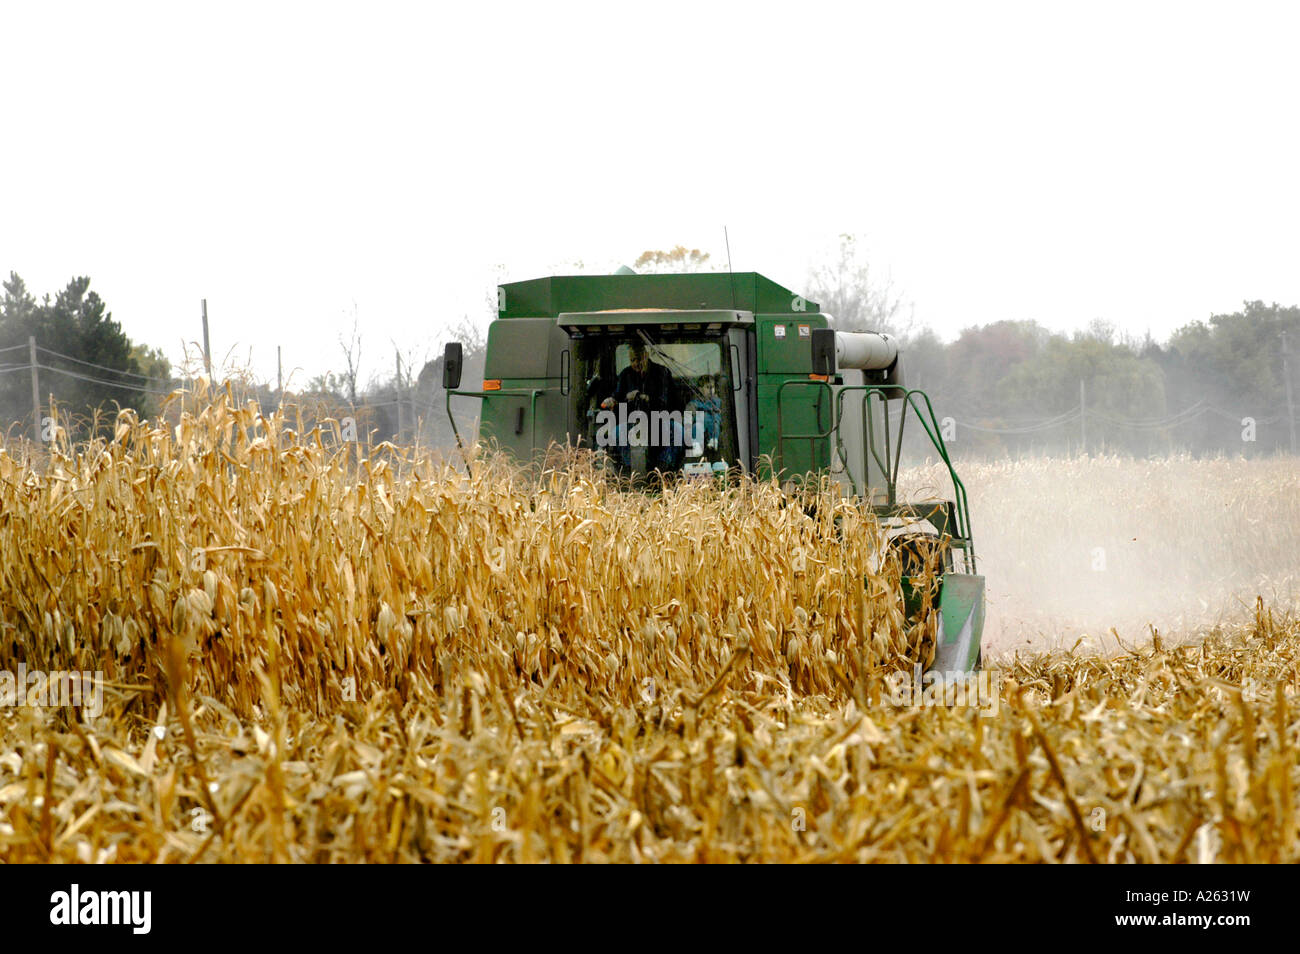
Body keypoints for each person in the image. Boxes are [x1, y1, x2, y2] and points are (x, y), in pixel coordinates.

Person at [599, 340, 683, 472]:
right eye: (632, 360)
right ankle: (630, 469)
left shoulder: (662, 373)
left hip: (659, 420)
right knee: (616, 433)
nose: (635, 364)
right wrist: (613, 400)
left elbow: (666, 401)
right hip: (633, 422)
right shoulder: (625, 374)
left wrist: (644, 397)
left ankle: (665, 469)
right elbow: (617, 396)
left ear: (646, 355)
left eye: (638, 359)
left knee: (679, 431)